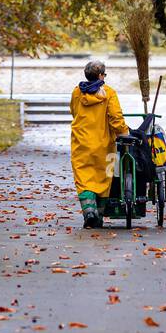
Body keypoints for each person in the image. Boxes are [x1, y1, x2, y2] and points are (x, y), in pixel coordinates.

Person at [70, 60, 129, 228]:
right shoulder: (109, 93)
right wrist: (125, 134)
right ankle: (99, 216)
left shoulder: (76, 92)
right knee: (104, 178)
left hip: (81, 141)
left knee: (83, 177)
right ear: (101, 75)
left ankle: (89, 211)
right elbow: (116, 118)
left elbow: (74, 111)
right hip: (104, 144)